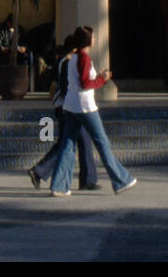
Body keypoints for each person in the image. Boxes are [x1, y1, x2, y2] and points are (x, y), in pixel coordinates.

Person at [49, 25, 136, 197]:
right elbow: (85, 84)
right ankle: (120, 180)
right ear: (88, 40)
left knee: (67, 146)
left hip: (71, 106)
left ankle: (59, 186)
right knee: (102, 143)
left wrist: (97, 78)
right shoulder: (84, 58)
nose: (95, 39)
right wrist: (102, 79)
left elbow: (80, 81)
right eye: (93, 37)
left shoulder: (73, 57)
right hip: (85, 106)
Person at [28, 35, 99, 191]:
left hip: (65, 107)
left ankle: (41, 171)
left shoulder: (61, 61)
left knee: (69, 142)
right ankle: (87, 179)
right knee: (79, 142)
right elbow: (69, 88)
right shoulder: (67, 63)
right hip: (71, 108)